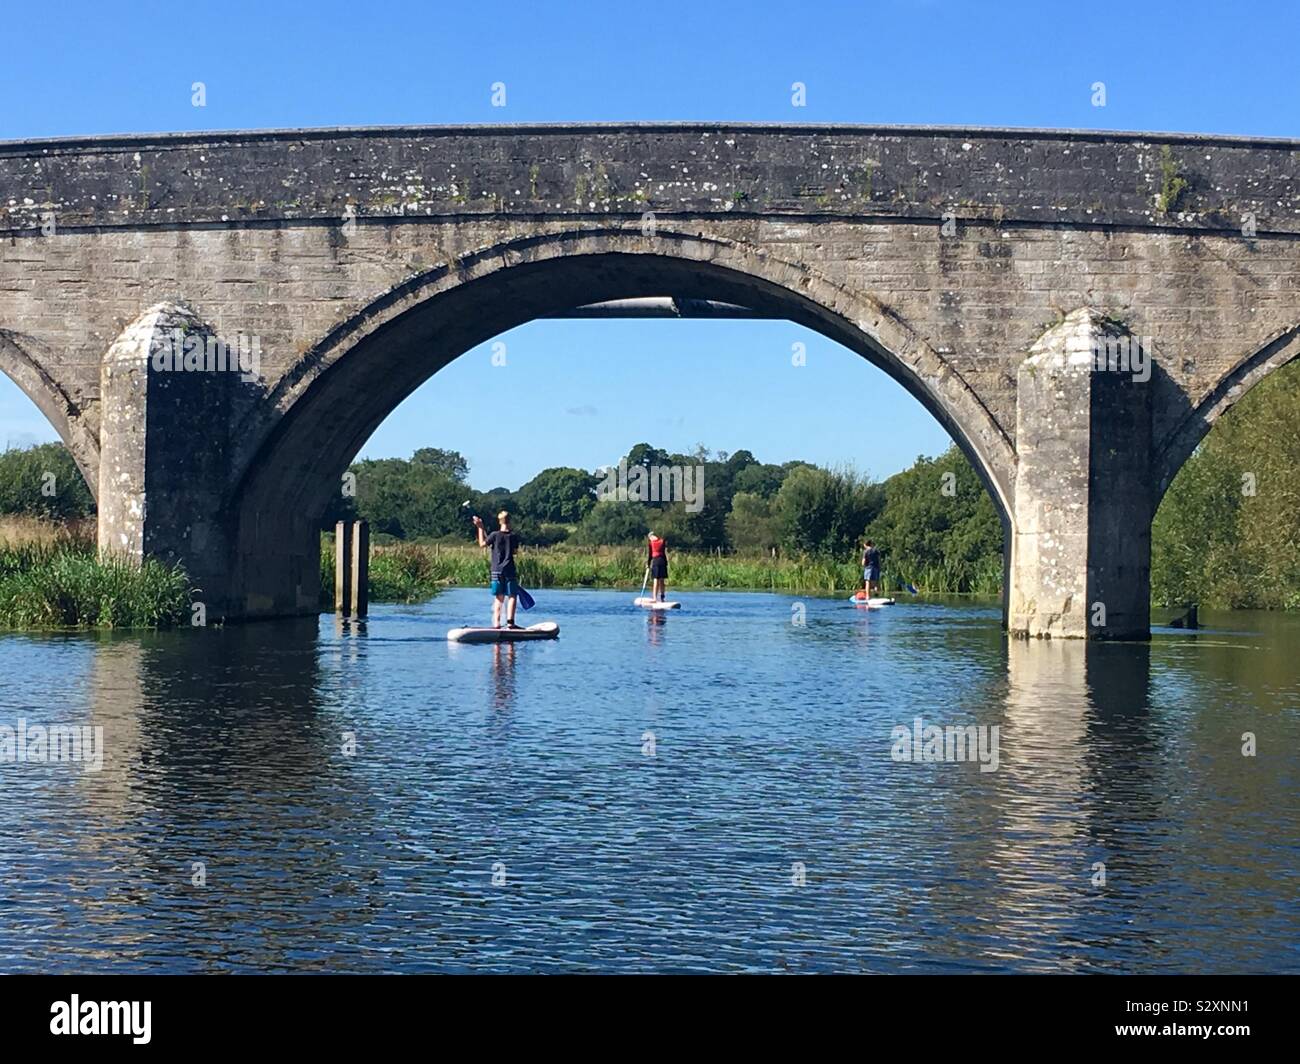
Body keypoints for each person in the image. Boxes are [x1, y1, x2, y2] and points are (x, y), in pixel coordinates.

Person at [473, 510, 521, 628]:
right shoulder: (514, 536)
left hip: (496, 570)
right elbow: (514, 552)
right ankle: (511, 623)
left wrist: (480, 528)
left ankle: (497, 624)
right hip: (509, 569)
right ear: (510, 521)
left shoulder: (494, 535)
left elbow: (482, 544)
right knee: (512, 596)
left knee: (499, 598)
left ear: (499, 521)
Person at [647, 531, 669, 602]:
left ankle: (654, 598)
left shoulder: (651, 543)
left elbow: (650, 555)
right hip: (662, 561)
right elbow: (663, 553)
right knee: (662, 580)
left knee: (656, 579)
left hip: (656, 561)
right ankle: (662, 597)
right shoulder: (662, 541)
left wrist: (648, 564)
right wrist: (666, 562)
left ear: (650, 537)